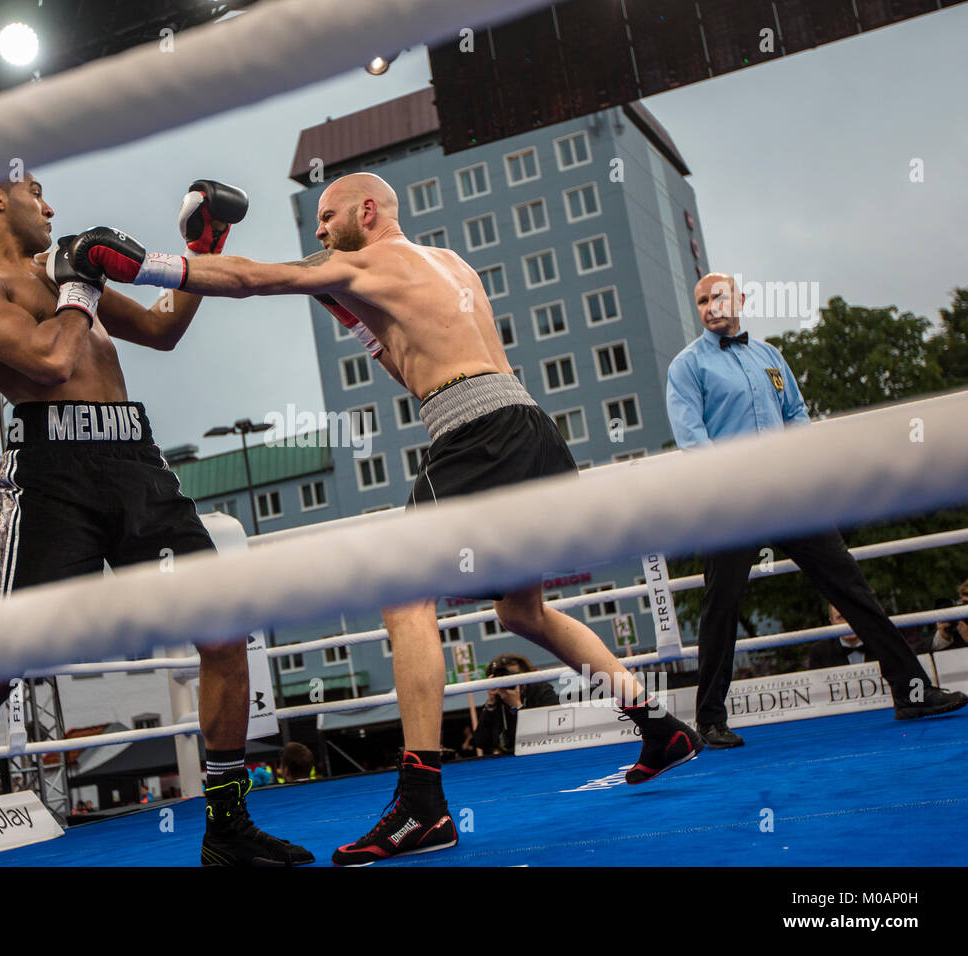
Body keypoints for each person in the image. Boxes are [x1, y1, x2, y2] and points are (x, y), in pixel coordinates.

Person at [85, 172, 703, 865]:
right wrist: (359, 323)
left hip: (476, 436)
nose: (319, 232)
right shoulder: (448, 263)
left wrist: (148, 267)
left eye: (326, 217)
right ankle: (657, 725)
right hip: (531, 429)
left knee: (404, 593)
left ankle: (423, 804)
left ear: (367, 211)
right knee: (523, 611)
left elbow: (253, 278)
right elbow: (415, 357)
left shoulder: (368, 260)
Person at [0, 173, 311, 868]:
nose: (50, 207)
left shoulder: (63, 269)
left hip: (134, 462)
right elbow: (50, 362)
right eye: (35, 192)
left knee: (226, 631)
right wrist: (81, 286)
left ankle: (227, 827)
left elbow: (164, 328)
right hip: (55, 475)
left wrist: (201, 252)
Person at [665, 273, 966, 747]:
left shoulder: (769, 357)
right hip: (733, 502)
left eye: (718, 297)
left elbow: (796, 415)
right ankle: (709, 720)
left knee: (850, 587)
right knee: (720, 607)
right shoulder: (686, 367)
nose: (710, 307)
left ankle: (912, 691)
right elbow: (693, 441)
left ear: (739, 300)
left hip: (791, 494)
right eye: (702, 301)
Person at [472, 654, 559, 755]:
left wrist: (517, 707)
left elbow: (551, 730)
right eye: (502, 679)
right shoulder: (498, 699)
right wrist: (491, 704)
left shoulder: (541, 691)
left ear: (526, 674)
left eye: (513, 676)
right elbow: (481, 742)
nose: (508, 682)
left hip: (543, 753)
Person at [807, 606, 878, 670]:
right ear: (832, 622)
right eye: (841, 618)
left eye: (853, 615)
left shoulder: (881, 644)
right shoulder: (820, 652)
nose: (847, 622)